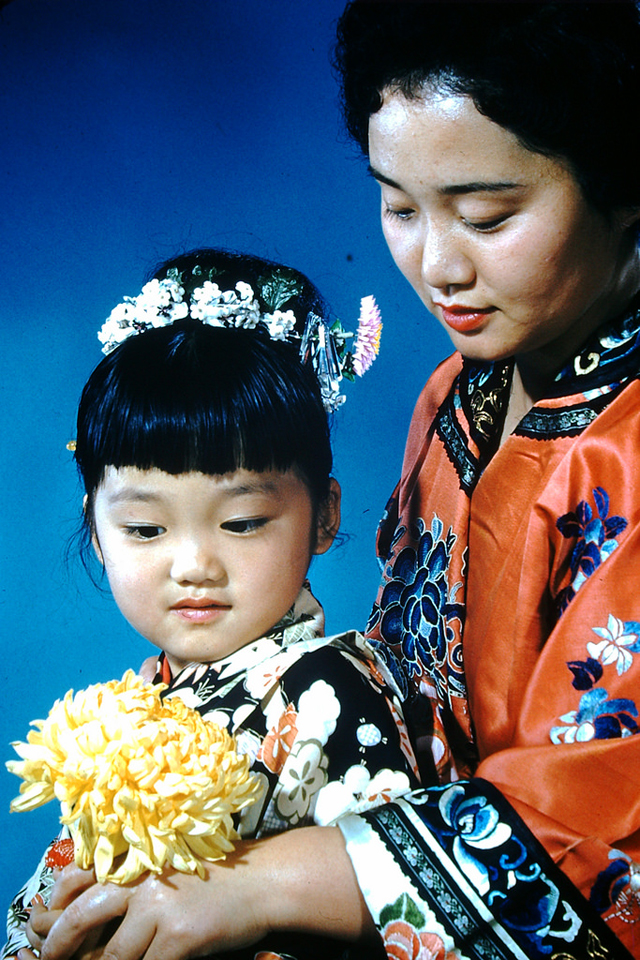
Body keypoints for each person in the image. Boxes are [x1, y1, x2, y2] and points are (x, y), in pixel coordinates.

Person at [22, 2, 640, 958]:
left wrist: (264, 881)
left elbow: (604, 815)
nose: (437, 266)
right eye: (399, 207)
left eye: (487, 216)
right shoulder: (458, 392)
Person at [3, 248, 416, 960]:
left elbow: (386, 915)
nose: (193, 564)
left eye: (243, 521)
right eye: (144, 529)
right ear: (97, 533)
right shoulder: (138, 701)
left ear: (323, 515)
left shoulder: (334, 690)